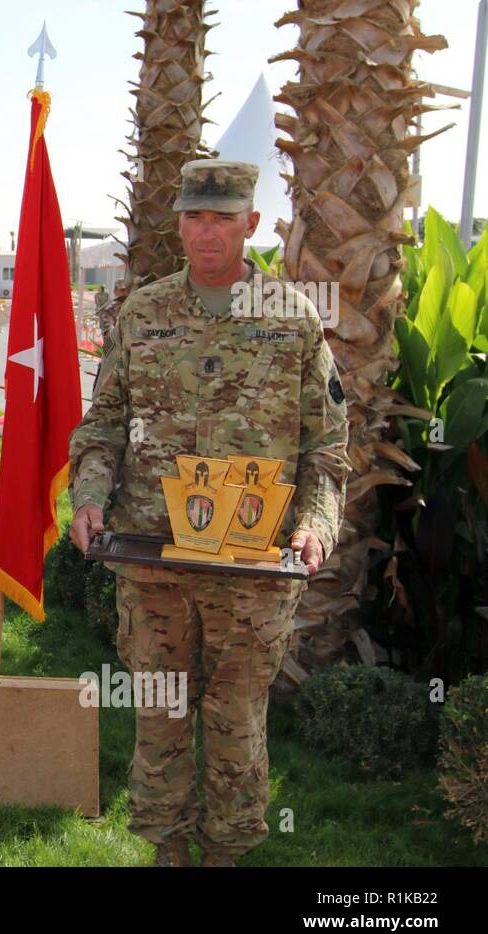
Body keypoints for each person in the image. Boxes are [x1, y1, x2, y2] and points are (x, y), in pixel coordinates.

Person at [67, 159, 350, 867]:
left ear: (251, 224)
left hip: (253, 568)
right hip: (152, 557)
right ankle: (166, 847)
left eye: (222, 218)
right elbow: (102, 424)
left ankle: (225, 852)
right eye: (194, 215)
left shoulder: (292, 317)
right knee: (159, 710)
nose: (206, 231)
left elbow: (326, 449)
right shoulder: (144, 311)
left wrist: (315, 526)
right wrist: (90, 498)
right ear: (180, 221)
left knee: (235, 719)